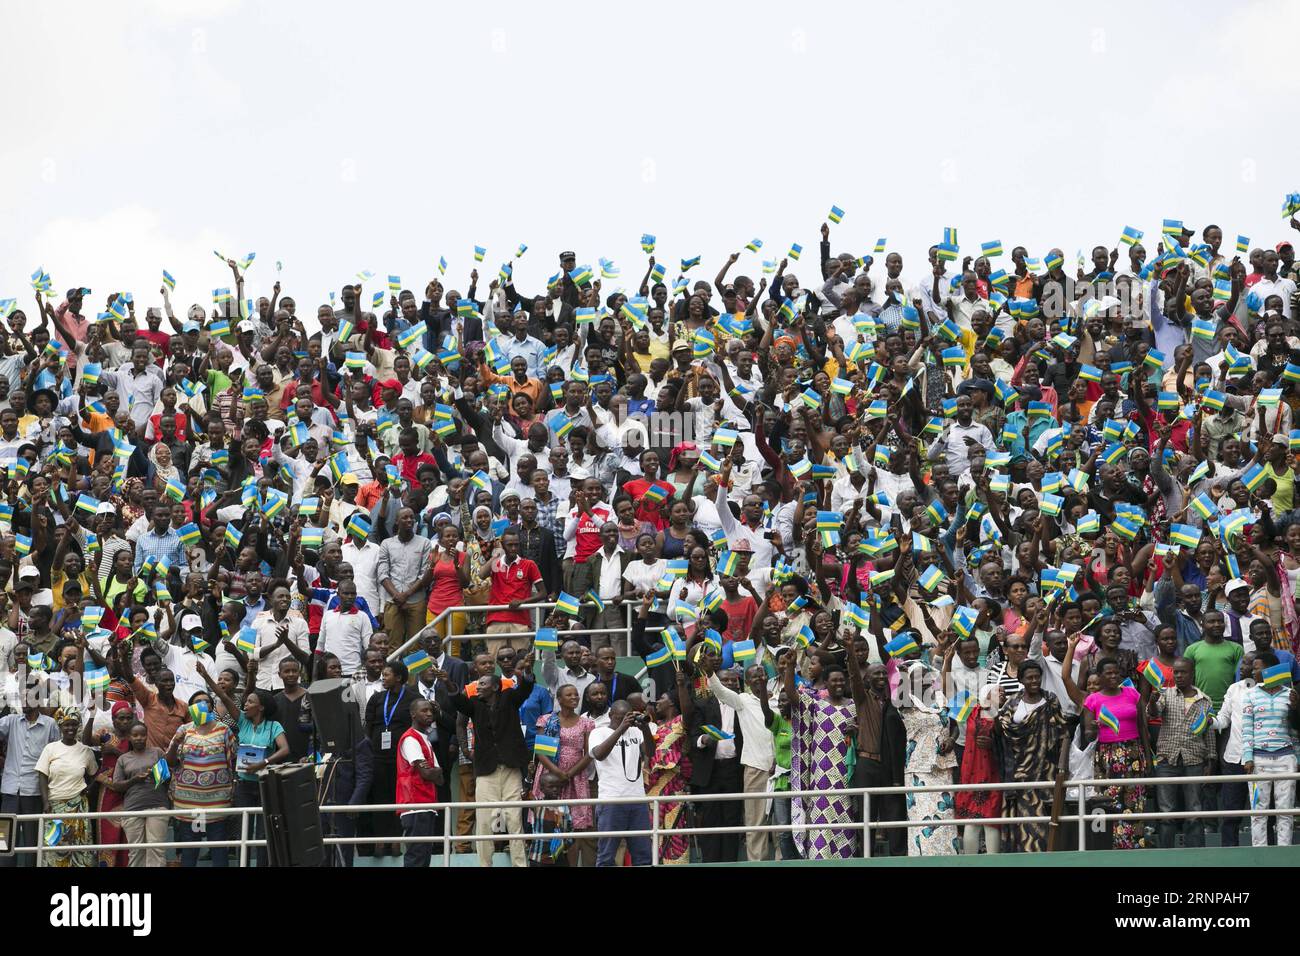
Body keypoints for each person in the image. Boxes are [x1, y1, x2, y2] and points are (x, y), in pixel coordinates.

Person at [450, 651, 537, 867]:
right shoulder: (475, 704)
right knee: (484, 821)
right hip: (486, 769)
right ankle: (484, 865)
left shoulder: (510, 699)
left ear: (495, 687)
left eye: (482, 683)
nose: (477, 686)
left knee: (514, 819)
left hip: (510, 768)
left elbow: (525, 688)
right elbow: (459, 703)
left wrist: (527, 670)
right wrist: (448, 684)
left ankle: (520, 865)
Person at [995, 659, 1067, 852]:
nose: (1035, 680)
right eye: (1030, 677)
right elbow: (1001, 730)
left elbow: (1062, 735)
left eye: (1037, 677)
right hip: (1019, 771)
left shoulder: (1051, 700)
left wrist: (1062, 766)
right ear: (1021, 679)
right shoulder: (1012, 703)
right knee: (1023, 822)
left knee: (1045, 820)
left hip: (1047, 770)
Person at [1081, 657, 1151, 850]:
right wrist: (1093, 729)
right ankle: (1111, 847)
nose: (1113, 676)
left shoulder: (1132, 694)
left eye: (1116, 673)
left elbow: (1142, 727)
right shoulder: (1092, 700)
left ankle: (1135, 846)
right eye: (1108, 673)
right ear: (1100, 676)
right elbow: (1088, 734)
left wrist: (1148, 758)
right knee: (1110, 802)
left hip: (1133, 753)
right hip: (1107, 757)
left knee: (1134, 801)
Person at [708, 662, 775, 861]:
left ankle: (782, 862)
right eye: (754, 676)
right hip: (755, 768)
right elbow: (720, 691)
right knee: (755, 825)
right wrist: (709, 672)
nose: (759, 679)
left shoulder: (779, 700)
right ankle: (757, 864)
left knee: (783, 826)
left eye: (762, 675)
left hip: (781, 769)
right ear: (746, 682)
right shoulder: (742, 700)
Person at [1146, 658, 1215, 849]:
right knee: (1166, 811)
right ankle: (1166, 855)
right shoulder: (1165, 694)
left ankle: (1196, 855)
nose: (1178, 675)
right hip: (1167, 757)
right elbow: (1153, 713)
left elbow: (1208, 733)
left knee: (1194, 810)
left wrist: (1211, 759)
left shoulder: (1205, 700)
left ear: (1192, 673)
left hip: (1194, 758)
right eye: (1176, 672)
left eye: (1183, 672)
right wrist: (1151, 702)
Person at [530, 683, 595, 866]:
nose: (574, 697)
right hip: (549, 776)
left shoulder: (586, 722)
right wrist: (557, 773)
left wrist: (569, 774)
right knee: (547, 826)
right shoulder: (547, 720)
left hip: (575, 778)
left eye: (576, 694)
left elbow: (589, 753)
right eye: (569, 695)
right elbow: (541, 752)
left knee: (572, 830)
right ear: (559, 699)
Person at [1241, 653, 1299, 847]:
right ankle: (1260, 854)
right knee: (1258, 811)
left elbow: (1295, 731)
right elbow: (1247, 729)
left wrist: (1296, 707)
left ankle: (1284, 853)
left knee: (1285, 811)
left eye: (1257, 668)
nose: (1253, 671)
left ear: (1270, 671)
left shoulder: (1290, 694)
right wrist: (1247, 757)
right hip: (1259, 760)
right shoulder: (1250, 695)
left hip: (1286, 758)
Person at [588, 699, 654, 866]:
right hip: (611, 801)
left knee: (643, 855)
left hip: (637, 800)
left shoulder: (636, 732)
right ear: (610, 715)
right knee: (606, 856)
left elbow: (650, 752)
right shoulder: (599, 732)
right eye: (620, 717)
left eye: (628, 717)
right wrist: (620, 728)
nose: (625, 720)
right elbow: (599, 754)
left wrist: (644, 728)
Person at [35, 708, 98, 867]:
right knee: (54, 849)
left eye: (74, 724)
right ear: (60, 726)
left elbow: (95, 775)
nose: (70, 728)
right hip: (55, 806)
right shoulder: (51, 748)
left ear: (78, 726)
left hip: (78, 806)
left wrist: (88, 788)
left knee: (79, 849)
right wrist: (45, 802)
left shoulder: (85, 751)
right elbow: (42, 774)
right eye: (66, 725)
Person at [108, 721, 169, 866]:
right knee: (136, 851)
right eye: (135, 735)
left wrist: (155, 775)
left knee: (156, 849)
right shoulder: (123, 759)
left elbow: (166, 780)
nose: (139, 738)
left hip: (157, 806)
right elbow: (117, 785)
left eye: (142, 735)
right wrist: (135, 779)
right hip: (132, 808)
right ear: (129, 737)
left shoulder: (157, 753)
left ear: (147, 736)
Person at [645, 691, 692, 865]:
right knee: (653, 833)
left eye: (662, 698)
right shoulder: (653, 725)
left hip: (674, 785)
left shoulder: (680, 722)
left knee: (675, 831)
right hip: (652, 786)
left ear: (672, 703)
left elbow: (688, 712)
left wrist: (681, 686)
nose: (657, 701)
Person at [396, 697, 443, 868]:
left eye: (430, 710)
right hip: (414, 804)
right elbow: (427, 773)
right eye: (424, 710)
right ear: (413, 714)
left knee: (424, 857)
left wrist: (433, 771)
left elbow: (440, 778)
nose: (429, 713)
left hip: (427, 803)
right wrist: (432, 771)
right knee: (416, 856)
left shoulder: (425, 739)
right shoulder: (410, 738)